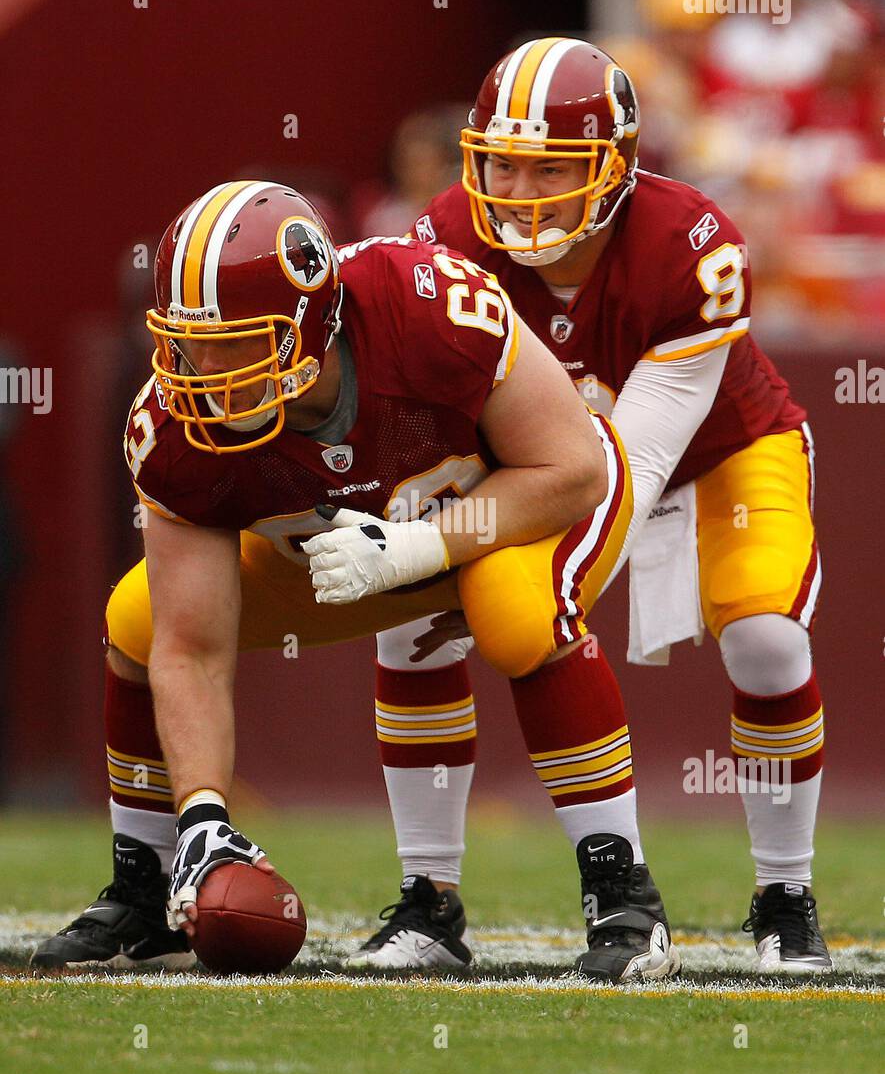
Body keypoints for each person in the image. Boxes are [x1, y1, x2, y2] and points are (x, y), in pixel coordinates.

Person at [32, 179, 679, 983]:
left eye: (235, 341)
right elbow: (191, 648)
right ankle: (149, 885)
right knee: (136, 620)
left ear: (310, 319)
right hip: (355, 537)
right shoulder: (174, 432)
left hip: (511, 506)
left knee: (515, 615)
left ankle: (621, 894)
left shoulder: (428, 310)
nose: (204, 369)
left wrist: (415, 550)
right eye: (188, 343)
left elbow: (572, 469)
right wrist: (203, 808)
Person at [355, 38, 830, 975]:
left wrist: (542, 585)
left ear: (614, 168)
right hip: (547, 461)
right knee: (413, 627)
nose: (521, 187)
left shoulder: (689, 247)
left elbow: (635, 462)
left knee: (766, 639)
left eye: (551, 166)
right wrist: (433, 540)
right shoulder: (443, 237)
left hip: (714, 451)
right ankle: (428, 902)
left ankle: (785, 894)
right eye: (502, 162)